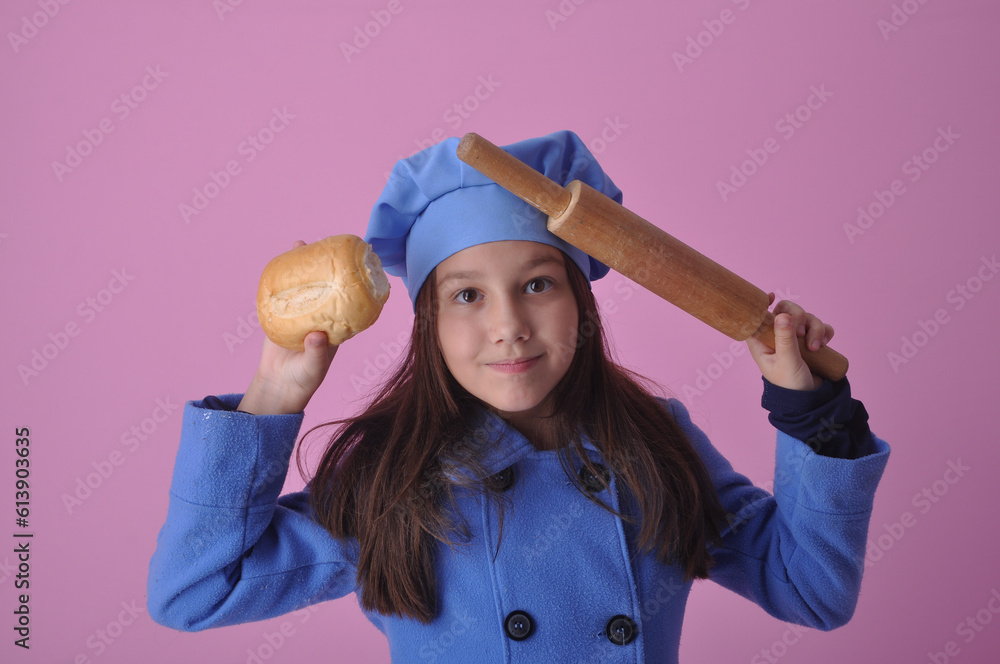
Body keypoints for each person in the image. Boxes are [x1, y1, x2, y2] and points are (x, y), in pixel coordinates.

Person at [147, 131, 890, 663]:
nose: (508, 328)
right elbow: (199, 592)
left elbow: (811, 591)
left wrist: (811, 410)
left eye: (538, 284)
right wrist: (271, 400)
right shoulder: (394, 475)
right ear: (430, 325)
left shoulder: (657, 443)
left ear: (581, 303)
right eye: (467, 295)